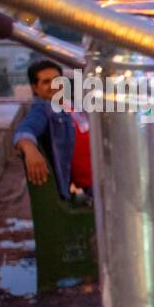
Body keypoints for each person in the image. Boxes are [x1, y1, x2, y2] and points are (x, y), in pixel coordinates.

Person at [13, 59, 93, 202]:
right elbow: (26, 129)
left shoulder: (72, 105)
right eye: (46, 82)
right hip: (92, 185)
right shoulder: (44, 109)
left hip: (105, 172)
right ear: (35, 88)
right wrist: (30, 149)